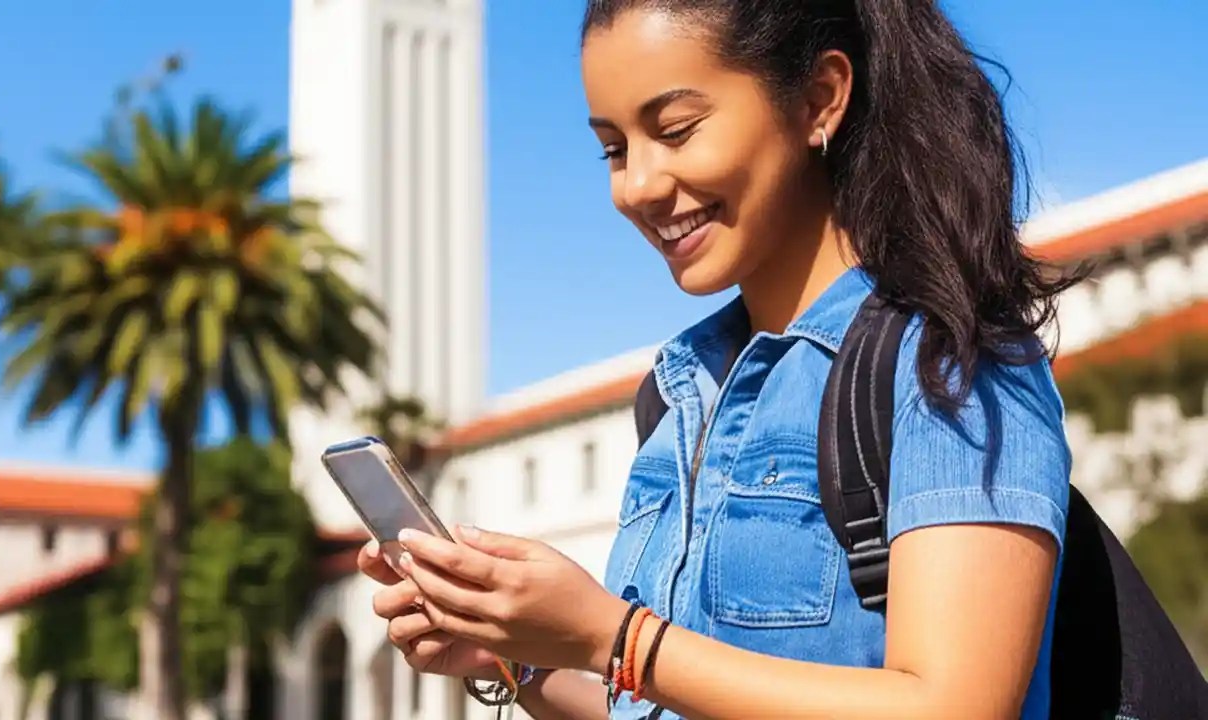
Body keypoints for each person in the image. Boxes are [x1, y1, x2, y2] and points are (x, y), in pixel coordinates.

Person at [358, 0, 1079, 717]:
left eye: (675, 130)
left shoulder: (942, 358)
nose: (637, 186)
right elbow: (661, 702)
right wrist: (517, 658)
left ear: (819, 99)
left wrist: (613, 637)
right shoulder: (676, 394)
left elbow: (954, 705)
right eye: (614, 149)